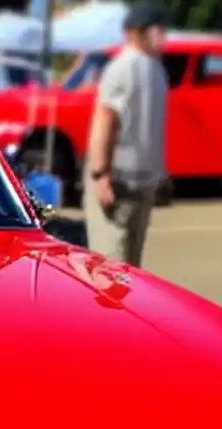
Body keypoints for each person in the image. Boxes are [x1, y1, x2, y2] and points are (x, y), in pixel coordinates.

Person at [82, 2, 168, 269]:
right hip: (127, 181)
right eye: (158, 31)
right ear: (139, 32)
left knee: (116, 267)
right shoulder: (140, 69)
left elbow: (107, 119)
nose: (163, 38)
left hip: (128, 181)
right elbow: (106, 120)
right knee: (123, 266)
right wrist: (101, 173)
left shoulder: (139, 68)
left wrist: (99, 174)